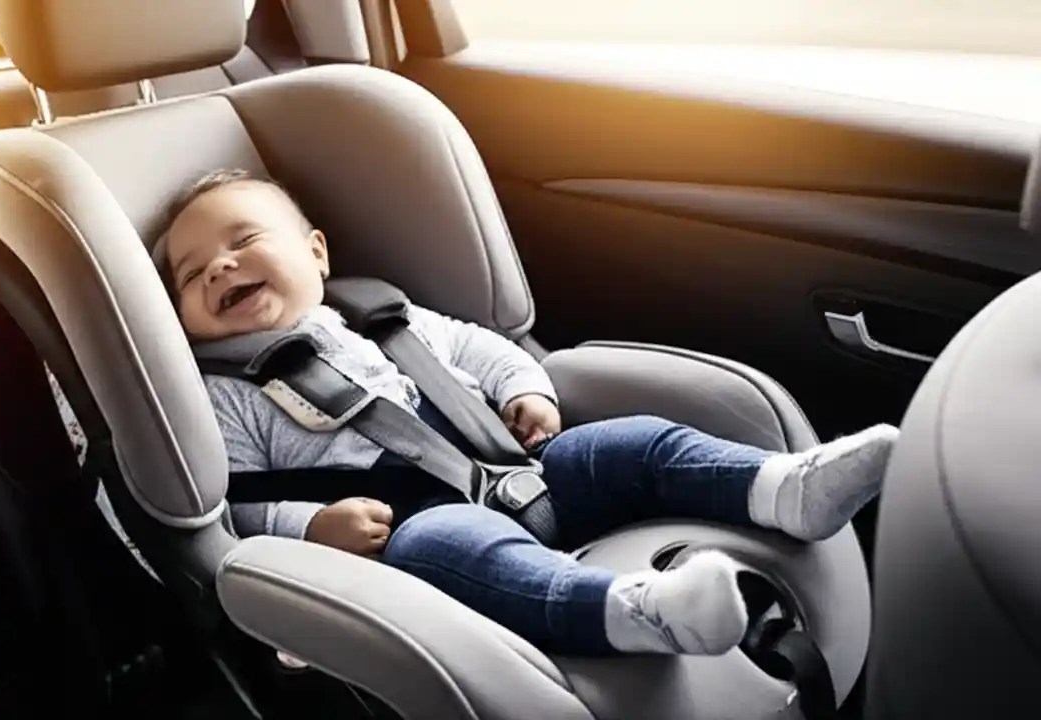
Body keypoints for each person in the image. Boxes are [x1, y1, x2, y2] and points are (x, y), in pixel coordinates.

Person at [163, 168, 898, 657]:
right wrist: (311, 527)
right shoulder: (224, 392)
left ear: (316, 252)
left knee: (636, 444)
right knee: (460, 549)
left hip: (525, 468)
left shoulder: (382, 314)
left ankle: (783, 488)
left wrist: (527, 392)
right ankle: (642, 611)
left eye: (244, 241)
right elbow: (239, 502)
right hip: (412, 527)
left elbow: (482, 351)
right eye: (193, 275)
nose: (221, 267)